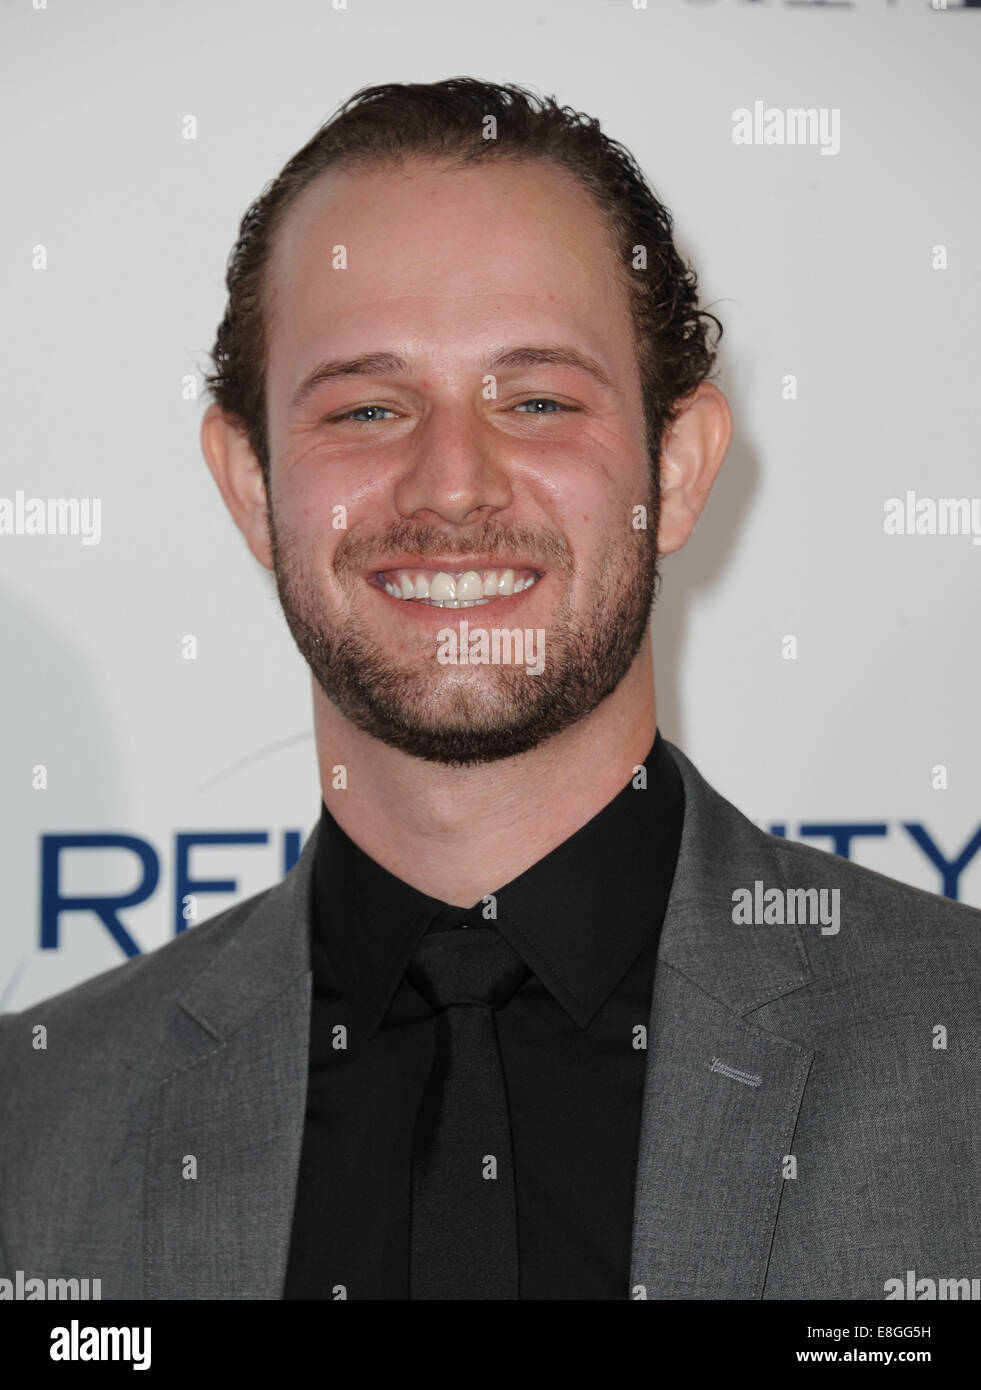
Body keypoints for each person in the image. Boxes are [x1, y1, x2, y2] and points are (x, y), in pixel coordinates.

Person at [2, 77, 980, 1303]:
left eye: (536, 401)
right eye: (367, 406)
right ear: (251, 485)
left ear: (674, 470)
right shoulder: (33, 1135)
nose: (452, 485)